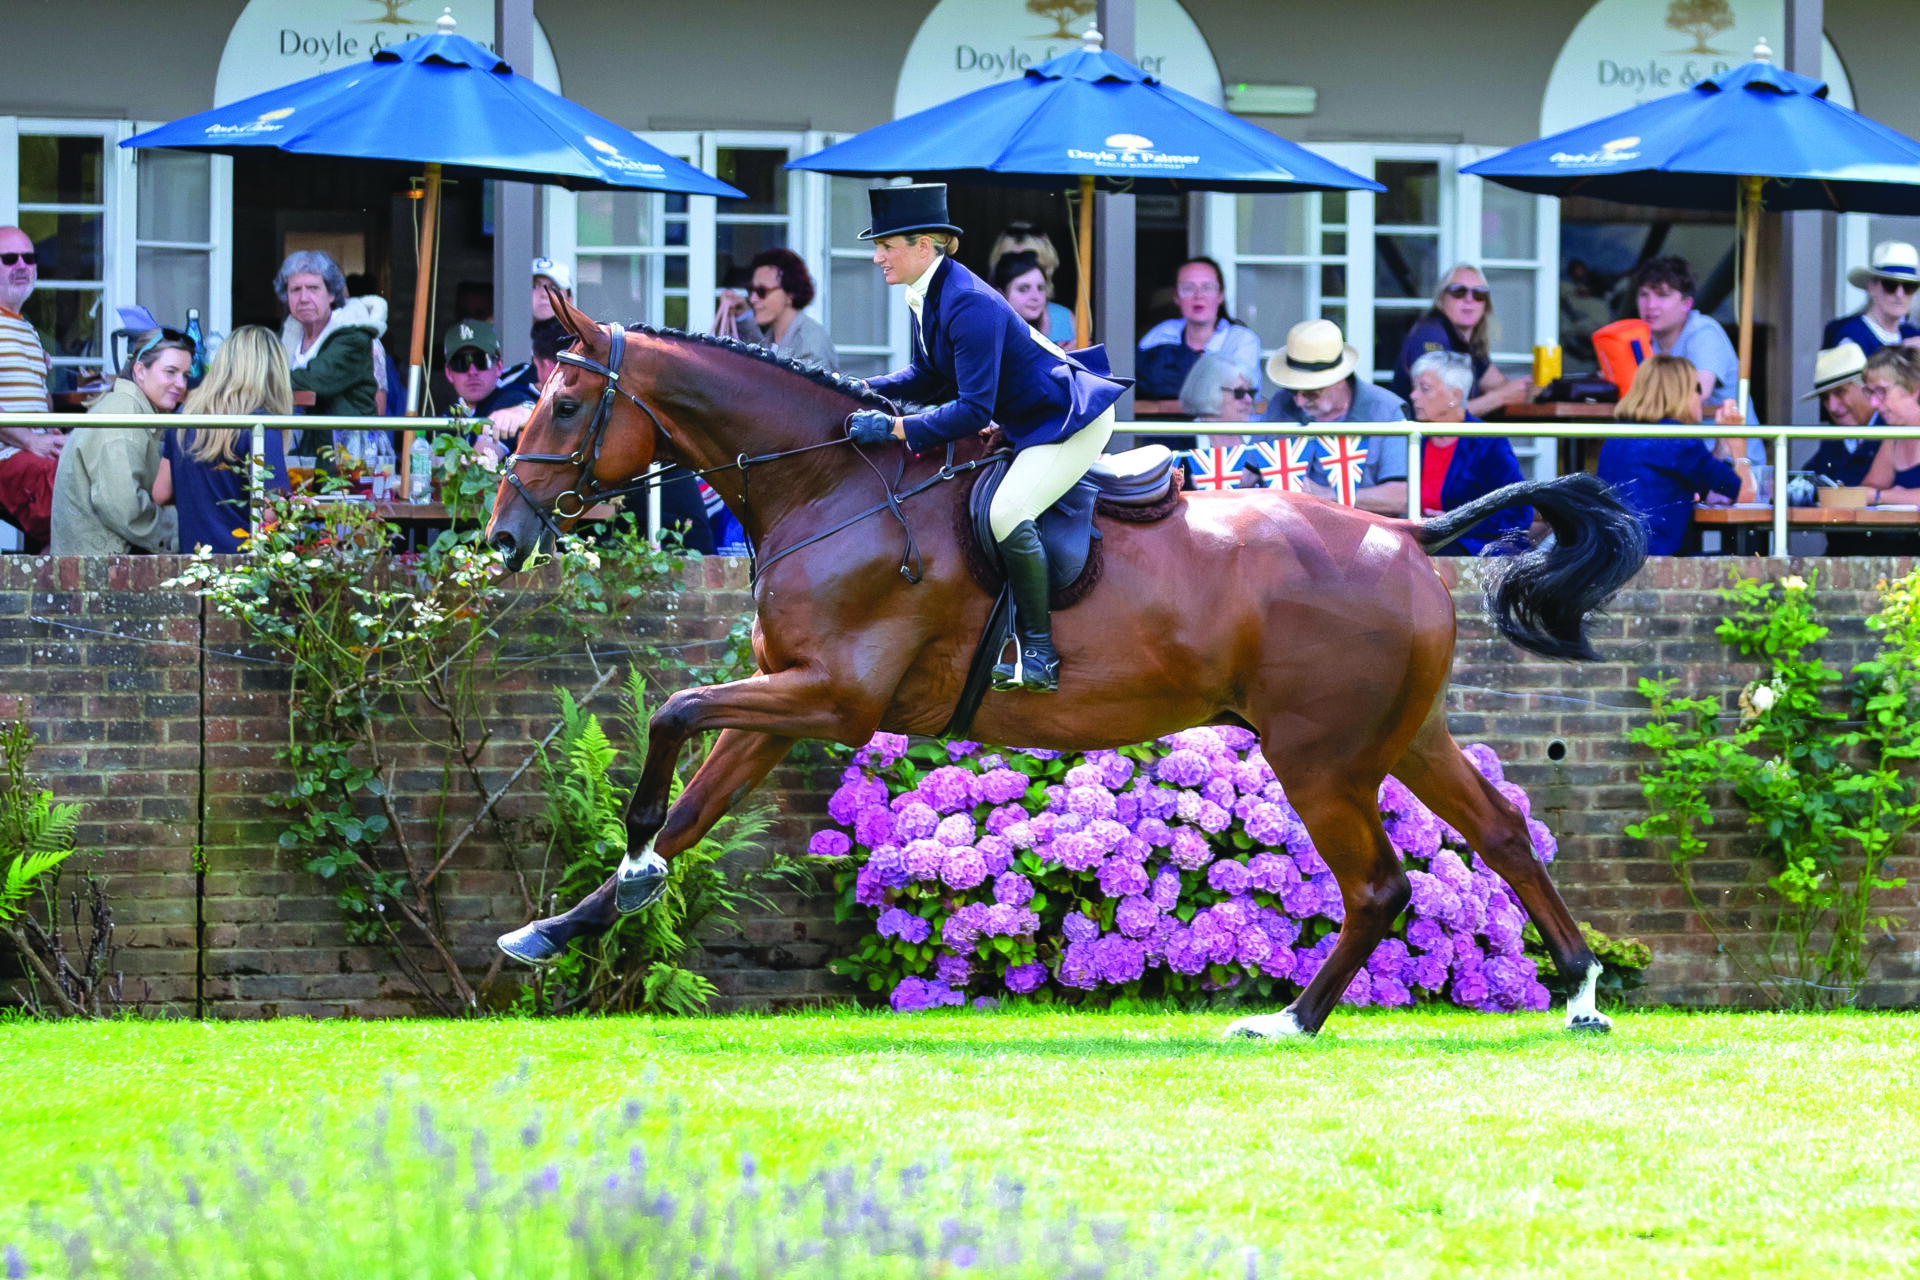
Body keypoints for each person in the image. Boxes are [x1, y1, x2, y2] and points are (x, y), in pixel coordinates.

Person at [853, 184, 1128, 692]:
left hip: (1067, 420)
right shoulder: (930, 293)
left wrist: (895, 428)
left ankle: (1041, 654)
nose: (877, 258)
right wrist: (861, 388)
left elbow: (974, 409)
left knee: (1007, 512)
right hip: (1030, 419)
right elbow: (928, 375)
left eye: (886, 246)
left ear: (924, 245)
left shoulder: (968, 302)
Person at [152, 326, 293, 555]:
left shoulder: (183, 417)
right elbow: (272, 513)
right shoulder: (260, 427)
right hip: (243, 568)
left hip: (193, 565)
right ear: (274, 372)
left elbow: (160, 492)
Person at [1597, 354, 1753, 557]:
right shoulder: (1676, 439)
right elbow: (1745, 494)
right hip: (1651, 561)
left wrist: (1722, 445)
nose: (1702, 397)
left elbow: (1712, 488)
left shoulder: (1620, 434)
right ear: (1682, 393)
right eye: (1697, 388)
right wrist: (1738, 444)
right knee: (1745, 561)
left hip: (1612, 559)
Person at [48, 329, 189, 555]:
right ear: (140, 371)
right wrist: (183, 530)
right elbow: (124, 507)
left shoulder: (133, 408)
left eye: (185, 375)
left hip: (106, 568)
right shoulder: (123, 411)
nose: (181, 384)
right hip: (99, 575)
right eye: (171, 372)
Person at [1260, 318, 1411, 514]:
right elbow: (1249, 472)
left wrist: (1325, 495)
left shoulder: (1385, 411)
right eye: (1292, 390)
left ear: (1339, 380)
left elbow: (1400, 498)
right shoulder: (1281, 403)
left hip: (1365, 537)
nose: (1298, 401)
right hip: (1289, 534)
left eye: (1311, 392)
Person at [1406, 350, 1529, 556]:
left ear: (1455, 395)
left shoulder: (1487, 442)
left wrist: (1457, 522)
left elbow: (1519, 513)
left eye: (1424, 389)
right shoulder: (1412, 437)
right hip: (1419, 544)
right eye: (1414, 387)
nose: (1413, 395)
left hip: (1473, 548)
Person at [276, 250, 389, 468]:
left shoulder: (353, 335)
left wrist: (259, 379)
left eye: (313, 288)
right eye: (295, 290)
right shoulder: (290, 335)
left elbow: (315, 380)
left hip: (344, 463)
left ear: (331, 294)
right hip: (301, 458)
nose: (304, 298)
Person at [1390, 264, 1533, 416]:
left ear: (1485, 304)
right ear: (1441, 298)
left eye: (1479, 294)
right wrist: (1499, 398)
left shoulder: (1467, 342)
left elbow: (1496, 384)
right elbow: (1438, 412)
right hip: (1415, 438)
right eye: (1459, 291)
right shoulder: (1431, 335)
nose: (1469, 299)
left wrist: (1529, 388)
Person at [0, 225, 58, 547]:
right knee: (68, 488)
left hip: (26, 451)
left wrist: (51, 435)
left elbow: (38, 405)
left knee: (95, 467)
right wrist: (31, 441)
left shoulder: (28, 330)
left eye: (29, 258)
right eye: (9, 258)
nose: (22, 266)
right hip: (8, 455)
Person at [1135, 258, 1259, 401]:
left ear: (1220, 295)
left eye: (1207, 287)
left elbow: (1236, 396)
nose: (1198, 296)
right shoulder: (1159, 335)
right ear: (1176, 296)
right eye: (1188, 288)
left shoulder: (1241, 340)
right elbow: (1140, 390)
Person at [1631, 255, 1739, 411]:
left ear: (1686, 304)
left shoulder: (1704, 332)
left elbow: (1699, 392)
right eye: (1644, 295)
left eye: (1662, 295)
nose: (1650, 305)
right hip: (1672, 434)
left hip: (1723, 435)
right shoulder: (1642, 337)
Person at [717, 248, 838, 371]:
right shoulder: (775, 333)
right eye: (751, 290)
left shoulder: (811, 340)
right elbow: (760, 349)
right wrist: (743, 315)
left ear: (790, 293)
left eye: (761, 291)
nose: (753, 299)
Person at [444, 321, 539, 462]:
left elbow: (478, 468)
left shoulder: (511, 399)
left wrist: (525, 410)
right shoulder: (451, 413)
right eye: (461, 363)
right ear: (449, 373)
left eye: (482, 360)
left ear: (499, 366)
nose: (472, 371)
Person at [1801, 343, 1880, 486]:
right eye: (1825, 397)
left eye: (1840, 392)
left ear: (1867, 388)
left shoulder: (1893, 432)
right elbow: (1805, 481)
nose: (1832, 407)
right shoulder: (1833, 441)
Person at [1825, 242, 1920, 358]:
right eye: (1890, 285)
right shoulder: (1851, 335)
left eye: (1909, 287)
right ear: (1872, 288)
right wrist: (1901, 351)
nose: (1899, 294)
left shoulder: (1912, 334)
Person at [987, 223, 1075, 347]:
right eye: (1011, 262)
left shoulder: (1065, 318)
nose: (1023, 268)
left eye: (1031, 260)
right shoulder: (987, 325)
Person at [1858, 346, 1920, 506]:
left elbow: (1873, 494)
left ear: (1913, 388)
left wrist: (1881, 497)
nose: (1873, 403)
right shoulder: (1895, 437)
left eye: (1881, 391)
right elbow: (1867, 490)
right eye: (1870, 393)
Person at [1177, 351, 1256, 423]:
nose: (1249, 400)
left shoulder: (1260, 436)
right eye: (1239, 392)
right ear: (1209, 393)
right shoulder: (1181, 436)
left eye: (1251, 393)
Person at [992, 251, 1055, 341]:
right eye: (1023, 289)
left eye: (1040, 288)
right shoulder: (992, 339)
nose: (1036, 297)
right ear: (1001, 294)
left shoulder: (1064, 324)